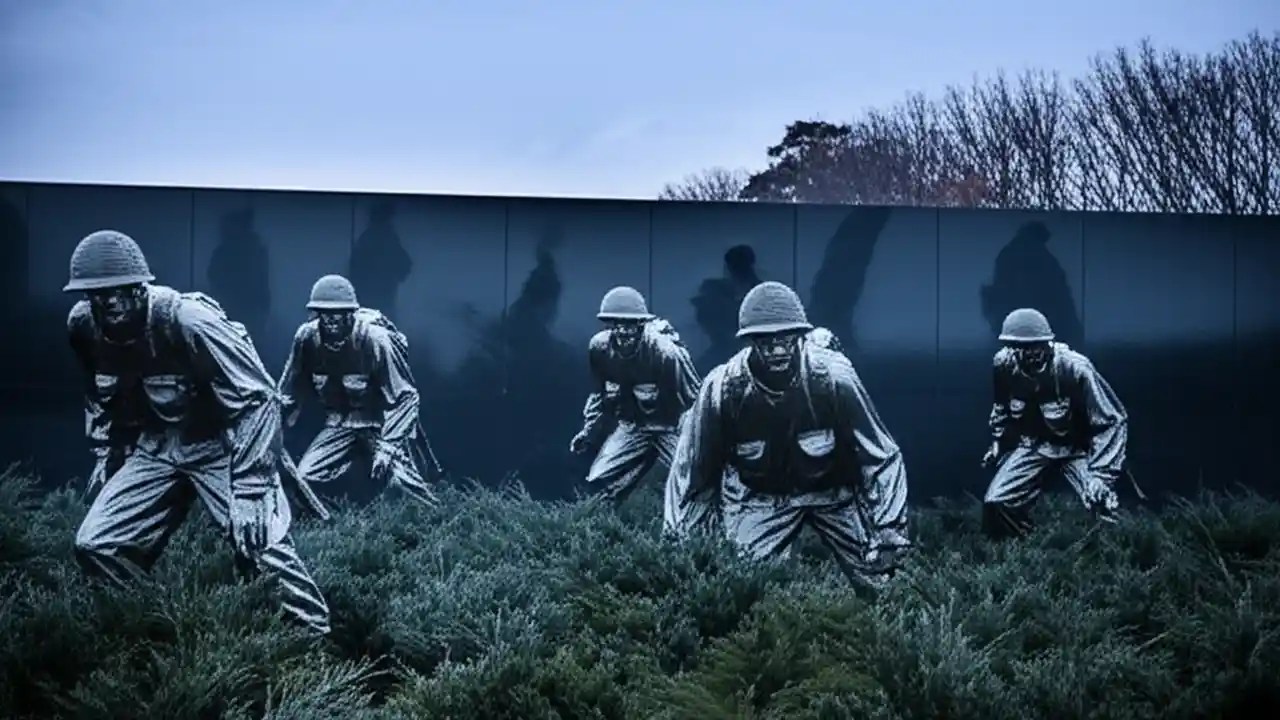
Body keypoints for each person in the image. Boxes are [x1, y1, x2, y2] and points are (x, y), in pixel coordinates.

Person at [64, 229, 331, 635]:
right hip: (156, 449)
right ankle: (155, 628)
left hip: (223, 448)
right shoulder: (84, 327)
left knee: (261, 544)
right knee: (96, 544)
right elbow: (99, 391)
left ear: (142, 288)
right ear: (86, 297)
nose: (112, 302)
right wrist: (105, 452)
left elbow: (259, 400)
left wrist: (251, 488)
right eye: (100, 294)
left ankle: (312, 641)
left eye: (124, 291)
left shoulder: (188, 320)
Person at [664, 281, 910, 586]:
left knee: (883, 581)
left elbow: (881, 455)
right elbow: (691, 472)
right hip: (757, 497)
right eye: (767, 341)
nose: (778, 349)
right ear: (750, 341)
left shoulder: (834, 378)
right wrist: (679, 542)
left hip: (835, 493)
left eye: (787, 338)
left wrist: (889, 527)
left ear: (800, 336)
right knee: (739, 588)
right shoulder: (722, 389)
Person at [279, 274, 443, 508]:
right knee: (305, 478)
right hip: (338, 426)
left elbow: (406, 398)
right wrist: (273, 429)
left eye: (337, 313)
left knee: (404, 484)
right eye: (323, 313)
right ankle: (337, 524)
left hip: (380, 425)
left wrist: (388, 447)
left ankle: (429, 521)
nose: (330, 320)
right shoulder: (306, 339)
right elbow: (290, 392)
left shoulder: (377, 340)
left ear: (350, 313)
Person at [981, 307, 1134, 538]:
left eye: (1036, 346)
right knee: (996, 501)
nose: (1030, 353)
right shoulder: (1004, 365)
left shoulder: (1074, 367)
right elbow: (1001, 406)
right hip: (1034, 445)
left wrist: (1101, 475)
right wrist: (998, 442)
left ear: (1047, 343)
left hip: (1078, 449)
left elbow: (1112, 420)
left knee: (1101, 502)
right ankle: (1022, 551)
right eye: (1022, 348)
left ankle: (1119, 554)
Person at [570, 286, 701, 504]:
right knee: (599, 479)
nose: (624, 332)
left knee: (692, 484)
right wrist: (588, 430)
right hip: (633, 426)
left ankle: (694, 531)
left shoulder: (667, 353)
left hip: (671, 428)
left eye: (630, 325)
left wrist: (698, 442)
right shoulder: (600, 348)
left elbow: (696, 401)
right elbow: (599, 395)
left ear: (641, 324)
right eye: (618, 325)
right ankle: (602, 529)